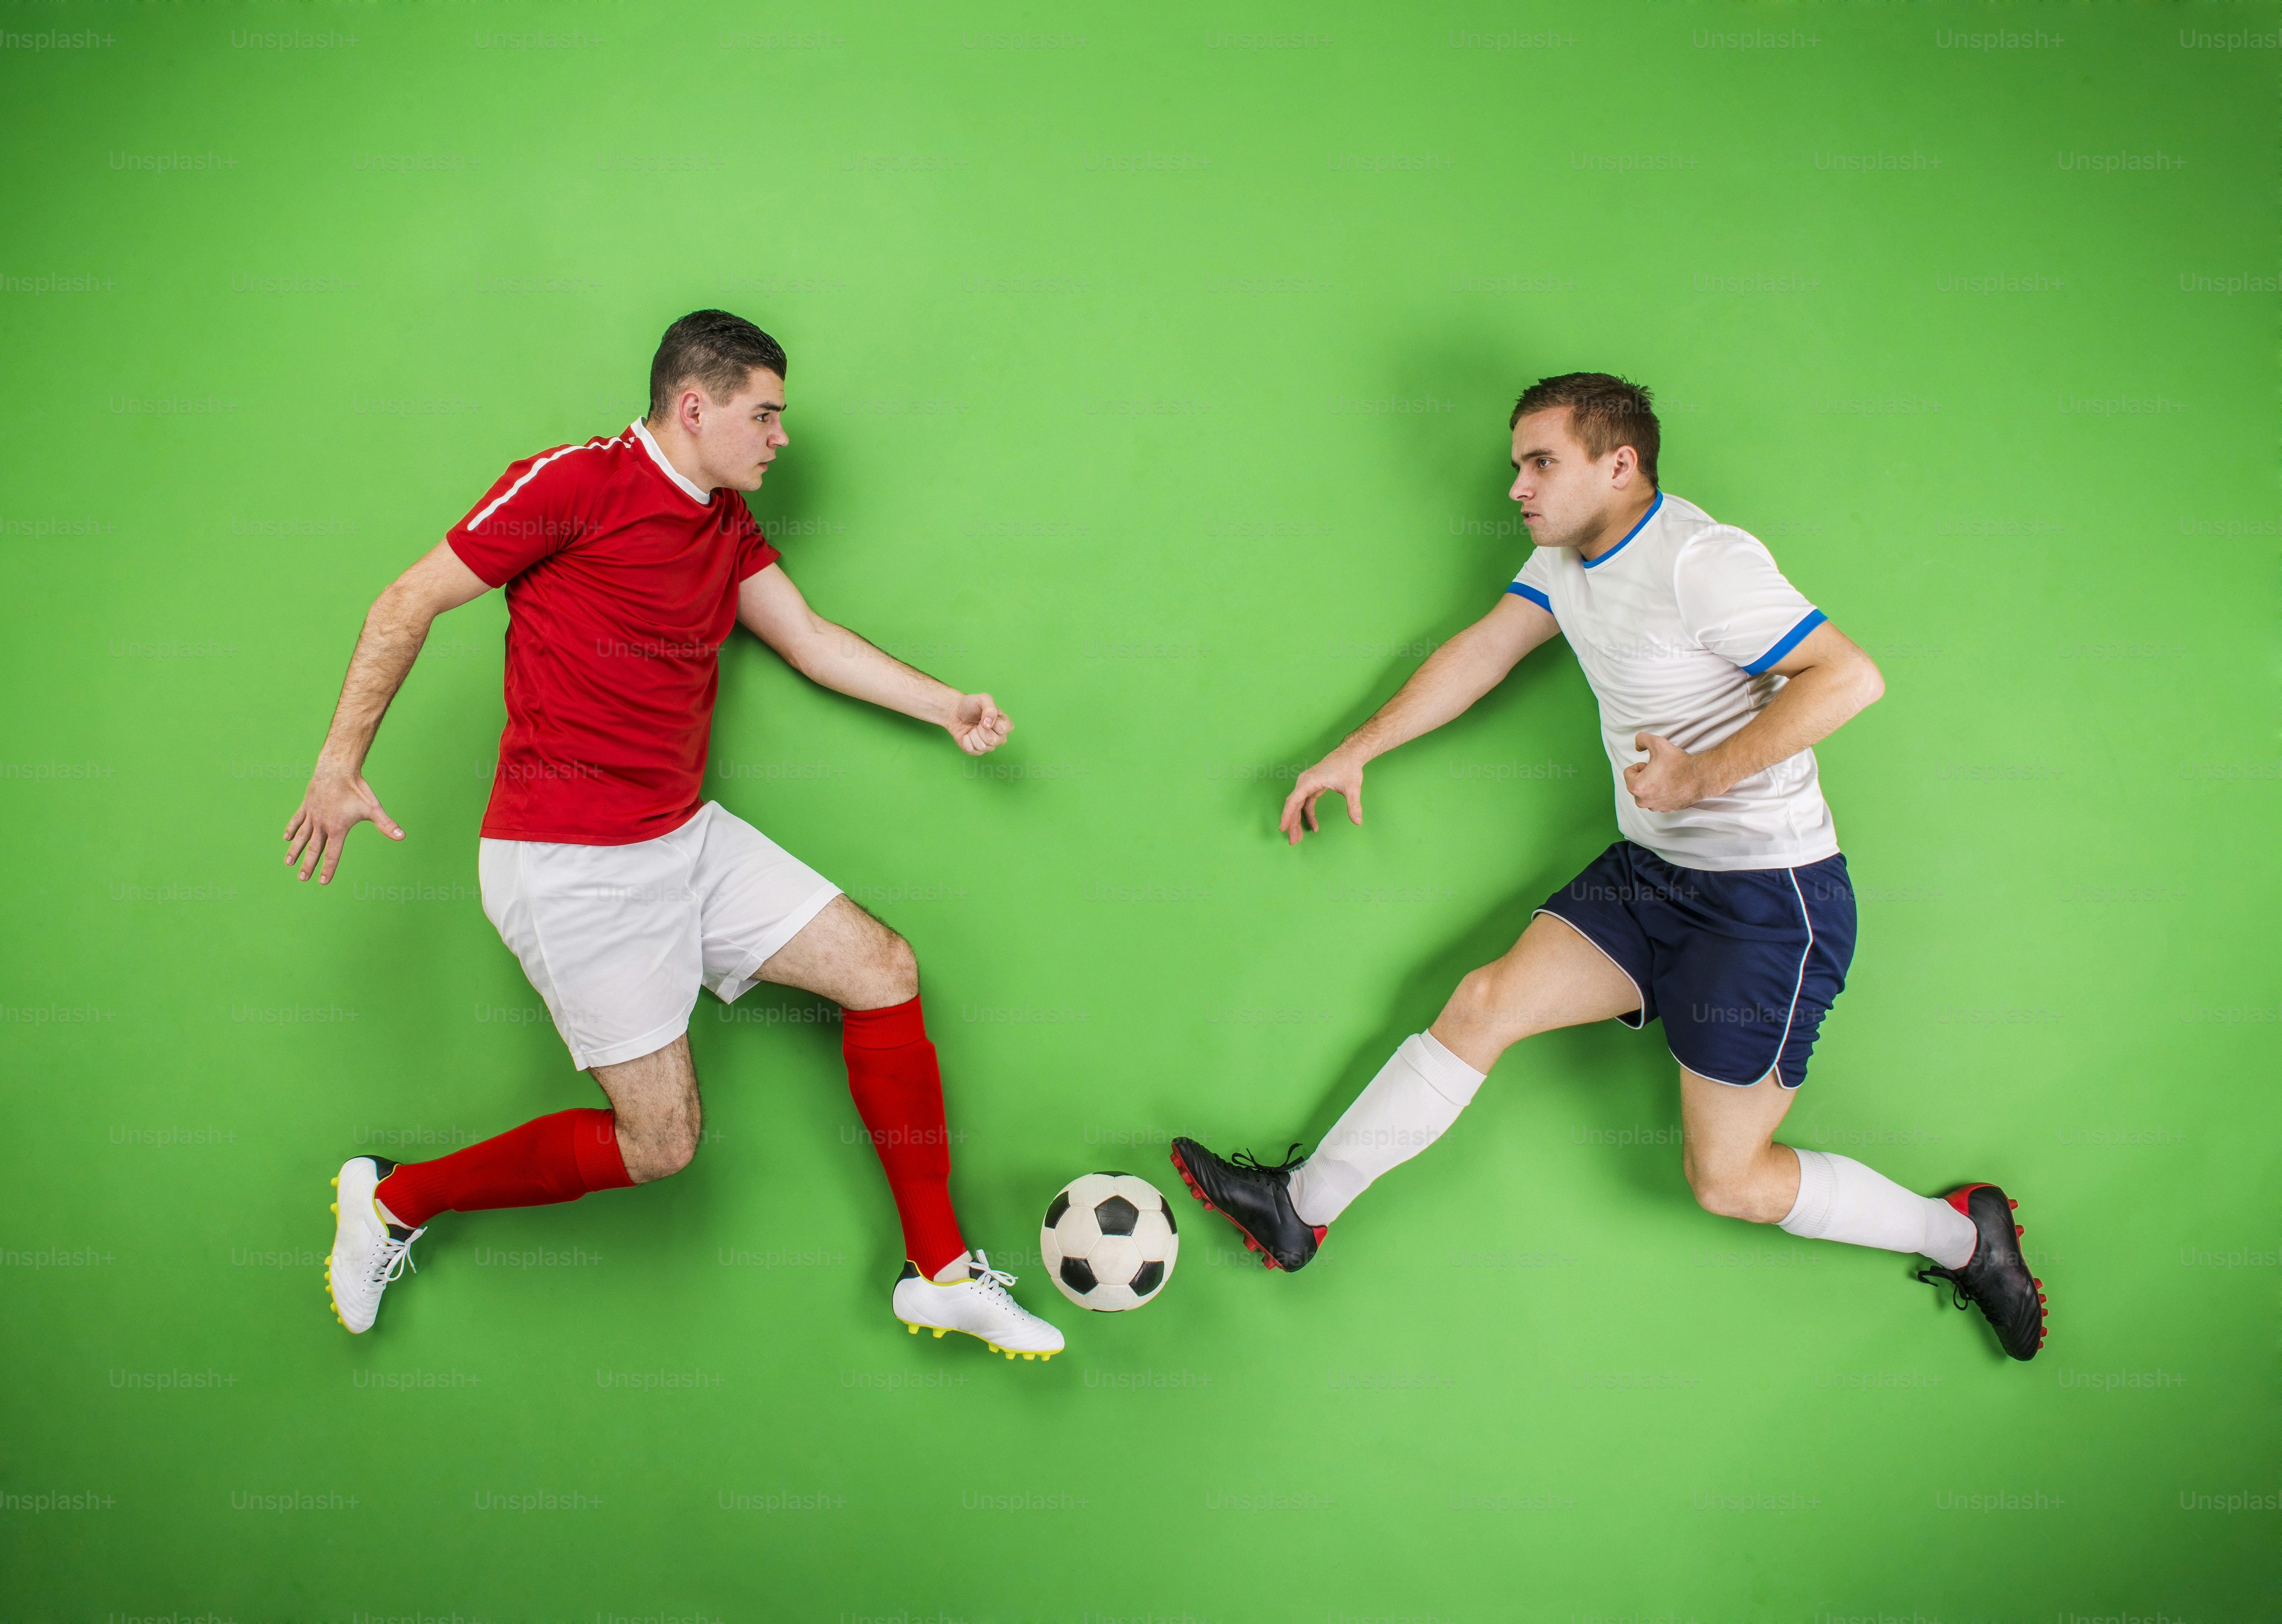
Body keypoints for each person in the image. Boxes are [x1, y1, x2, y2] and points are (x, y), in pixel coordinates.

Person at [1169, 373, 2046, 1361]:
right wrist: (1357, 748)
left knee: (1727, 1180)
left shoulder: (1700, 561)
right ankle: (1299, 1211)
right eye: (1516, 465)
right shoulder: (1565, 560)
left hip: (1767, 902)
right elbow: (1484, 651)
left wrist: (1701, 774)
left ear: (1619, 463)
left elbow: (1851, 676)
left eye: (1541, 461)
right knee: (1482, 1001)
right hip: (1654, 871)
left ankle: (1966, 1233)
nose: (1517, 487)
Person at [286, 309, 1062, 1359]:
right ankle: (392, 1201)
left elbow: (809, 639)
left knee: (883, 967)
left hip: (679, 837)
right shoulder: (571, 483)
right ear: (693, 406)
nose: (781, 438)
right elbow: (407, 601)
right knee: (663, 1144)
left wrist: (948, 706)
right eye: (765, 415)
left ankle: (941, 1273)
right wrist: (339, 766)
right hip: (568, 865)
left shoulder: (723, 524)